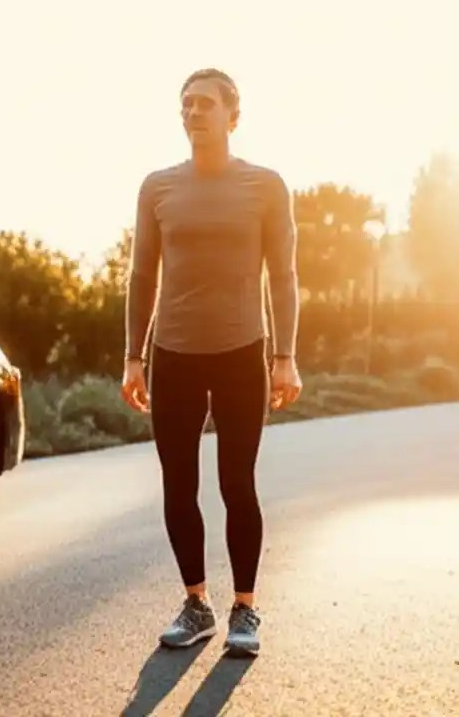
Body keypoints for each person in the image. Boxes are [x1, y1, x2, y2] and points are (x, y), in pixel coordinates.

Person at [121, 67, 301, 658]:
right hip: (172, 354)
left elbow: (285, 275)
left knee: (236, 483)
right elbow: (142, 274)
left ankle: (245, 609)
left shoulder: (266, 186)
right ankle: (196, 603)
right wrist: (133, 357)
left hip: (241, 353)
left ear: (233, 115)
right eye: (185, 105)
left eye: (204, 104)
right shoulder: (157, 187)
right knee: (179, 484)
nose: (192, 113)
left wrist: (284, 357)